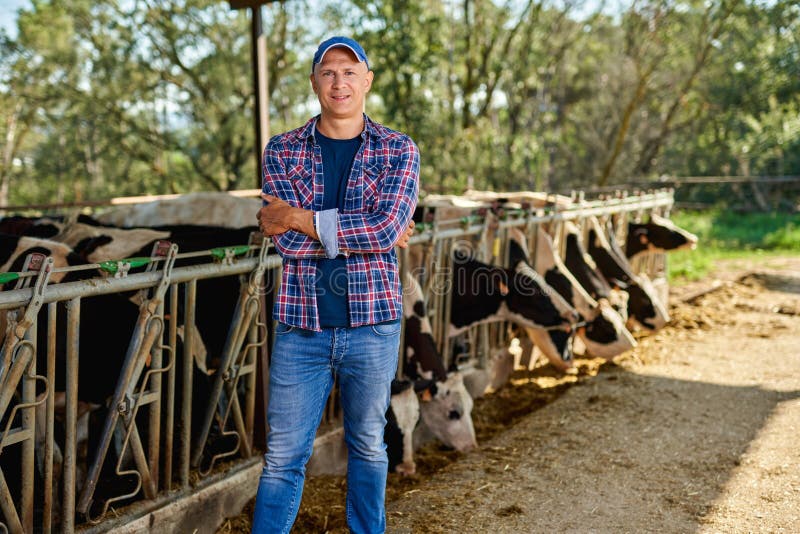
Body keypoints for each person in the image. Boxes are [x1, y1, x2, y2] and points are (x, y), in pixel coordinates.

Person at [252, 36, 419, 534]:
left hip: (373, 325)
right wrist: (366, 231)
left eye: (350, 72)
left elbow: (385, 229)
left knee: (368, 443)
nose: (339, 82)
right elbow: (290, 247)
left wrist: (294, 217)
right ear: (314, 83)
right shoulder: (282, 149)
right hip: (301, 326)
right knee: (282, 455)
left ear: (367, 80)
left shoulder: (398, 150)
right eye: (328, 72)